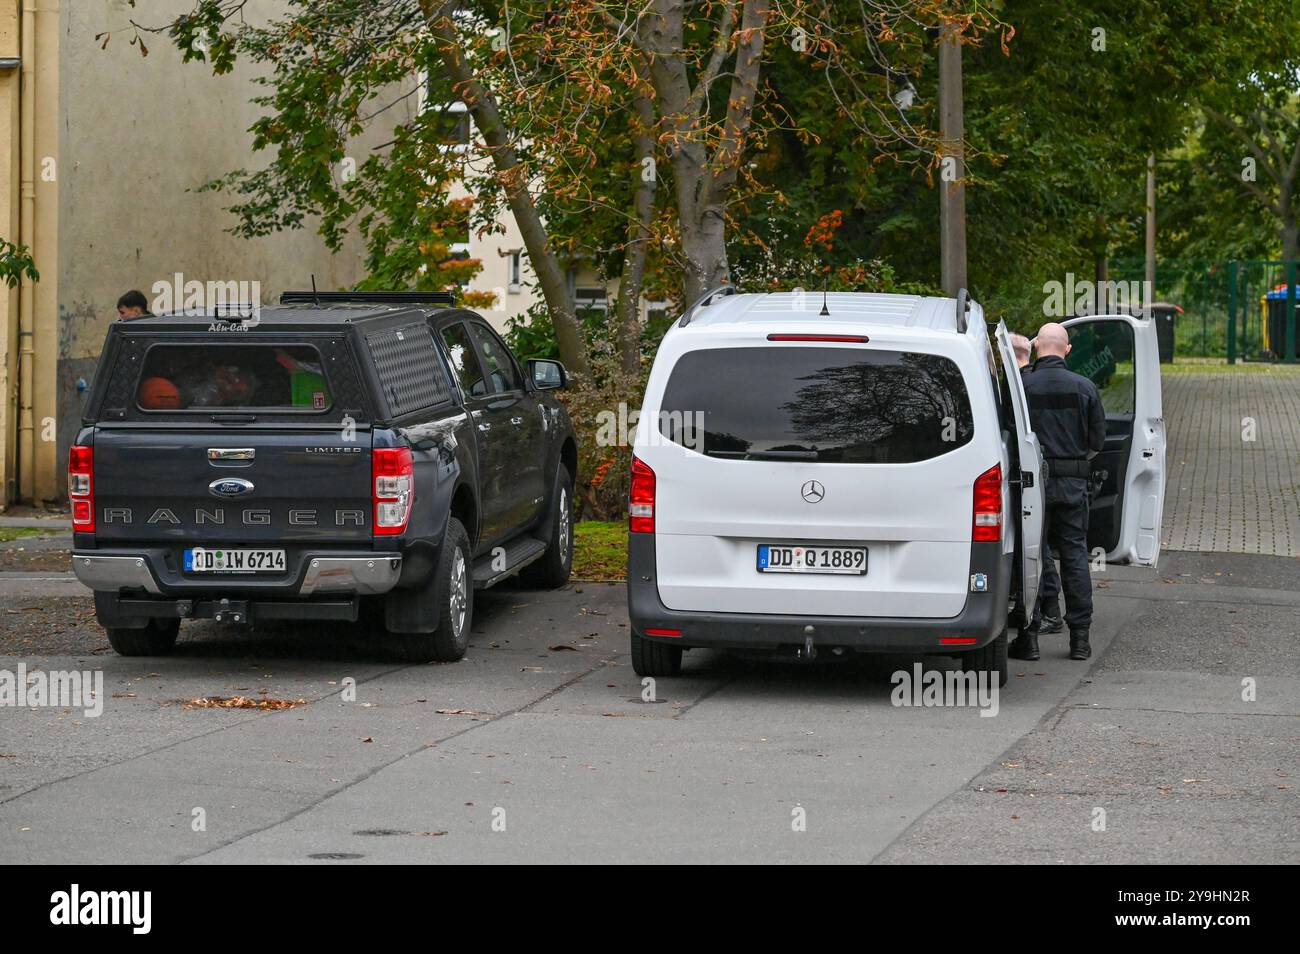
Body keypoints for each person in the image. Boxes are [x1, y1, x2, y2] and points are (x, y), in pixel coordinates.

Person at [1011, 322, 1106, 661]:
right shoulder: (1085, 387)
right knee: (1076, 557)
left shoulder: (1022, 387)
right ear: (1067, 350)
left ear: (1037, 347)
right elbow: (1097, 441)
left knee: (1032, 558)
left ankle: (1029, 638)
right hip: (1073, 484)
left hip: (1033, 484)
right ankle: (1080, 640)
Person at [1009, 332, 1063, 638]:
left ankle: (1044, 612)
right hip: (1061, 478)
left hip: (1028, 480)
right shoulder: (1076, 385)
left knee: (1036, 548)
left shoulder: (1020, 389)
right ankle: (1047, 611)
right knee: (1047, 548)